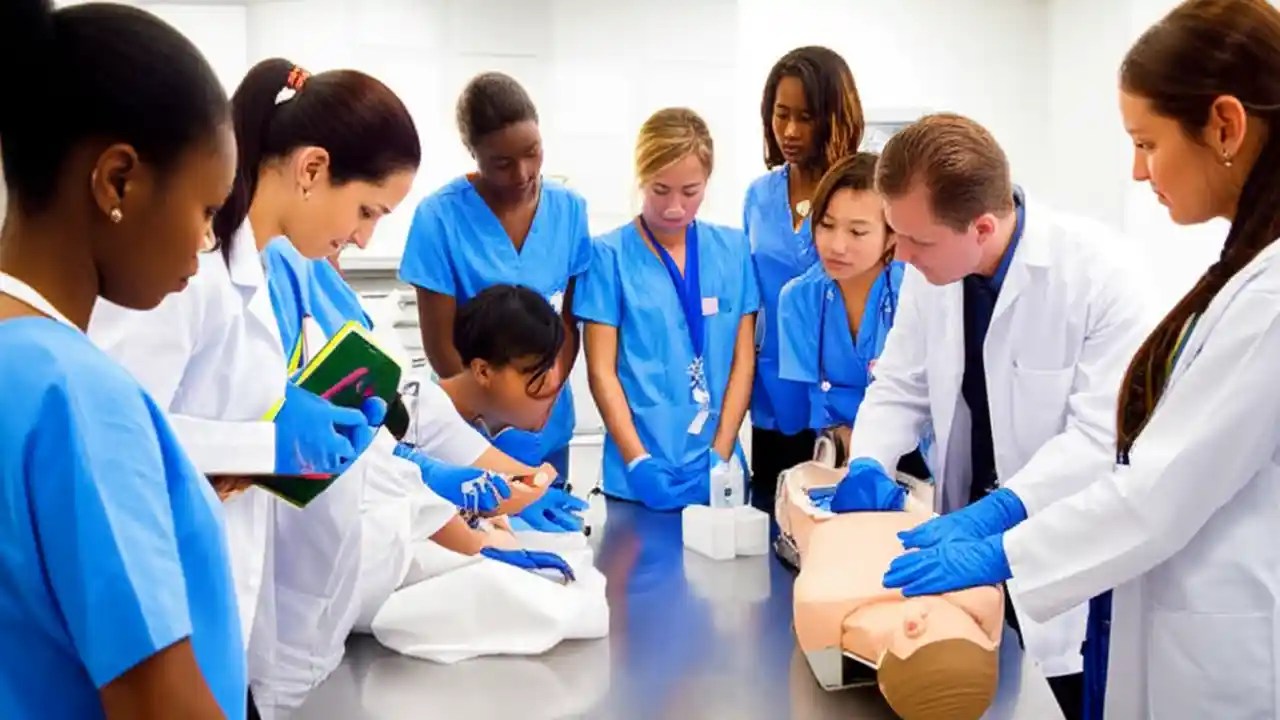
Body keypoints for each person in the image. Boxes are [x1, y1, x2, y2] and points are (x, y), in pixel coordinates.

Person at [879, 2, 1280, 718]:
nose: (1135, 171)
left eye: (1147, 142)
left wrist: (1005, 541)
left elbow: (1152, 488)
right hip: (1134, 601)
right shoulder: (1243, 272)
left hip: (1216, 650)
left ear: (1225, 125)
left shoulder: (1266, 294)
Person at [88, 58, 414, 717]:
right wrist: (265, 444)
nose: (363, 235)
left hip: (221, 604)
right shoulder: (190, 270)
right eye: (365, 210)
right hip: (153, 609)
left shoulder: (259, 276)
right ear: (313, 168)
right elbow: (106, 432)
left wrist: (282, 436)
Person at [825, 113, 1154, 719]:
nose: (899, 256)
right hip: (957, 557)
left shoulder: (1102, 276)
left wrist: (1004, 512)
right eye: (896, 235)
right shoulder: (934, 267)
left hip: (1058, 561)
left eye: (915, 242)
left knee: (1051, 700)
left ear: (981, 226)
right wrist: (869, 460)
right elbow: (900, 381)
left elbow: (1097, 439)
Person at [0, 1, 243, 717]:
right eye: (205, 211)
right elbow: (157, 702)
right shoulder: (73, 395)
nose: (204, 248)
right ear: (118, 182)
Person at [399, 71, 590, 482]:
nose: (522, 173)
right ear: (473, 153)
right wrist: (495, 417)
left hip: (547, 423)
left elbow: (569, 322)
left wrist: (545, 396)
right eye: (502, 163)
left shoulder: (569, 211)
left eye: (533, 152)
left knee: (552, 531)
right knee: (475, 534)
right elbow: (441, 347)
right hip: (468, 424)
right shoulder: (439, 218)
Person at [577, 107, 759, 511]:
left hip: (718, 472)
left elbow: (742, 364)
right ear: (641, 177)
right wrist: (637, 460)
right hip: (637, 473)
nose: (675, 207)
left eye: (690, 192)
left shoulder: (733, 251)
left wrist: (721, 454)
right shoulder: (609, 256)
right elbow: (601, 371)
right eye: (660, 190)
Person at [746, 46, 866, 514]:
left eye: (806, 117)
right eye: (781, 115)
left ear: (835, 117)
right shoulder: (758, 196)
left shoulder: (861, 193)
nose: (791, 131)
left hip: (847, 399)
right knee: (777, 524)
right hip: (776, 393)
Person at [775, 151, 928, 473]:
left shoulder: (917, 293)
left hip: (916, 459)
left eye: (857, 232)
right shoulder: (798, 299)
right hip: (835, 453)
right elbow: (804, 408)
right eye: (827, 225)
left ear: (892, 236)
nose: (836, 245)